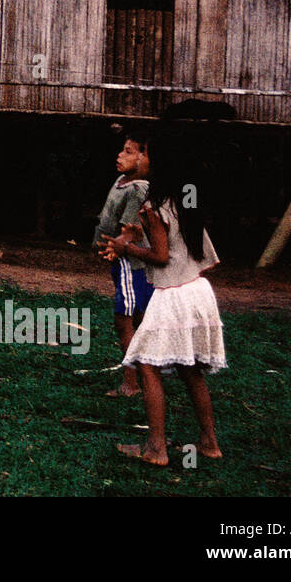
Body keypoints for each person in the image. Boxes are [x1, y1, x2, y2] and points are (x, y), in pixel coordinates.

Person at [100, 134, 226, 466]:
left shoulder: (155, 207)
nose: (141, 159)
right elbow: (182, 245)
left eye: (145, 155)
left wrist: (127, 249)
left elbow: (160, 256)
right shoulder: (186, 202)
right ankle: (209, 443)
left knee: (148, 366)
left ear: (158, 165)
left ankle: (156, 448)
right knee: (190, 370)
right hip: (198, 291)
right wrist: (140, 235)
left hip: (173, 295)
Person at [92, 131, 152, 397]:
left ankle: (132, 382)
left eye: (128, 151)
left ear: (145, 157)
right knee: (137, 318)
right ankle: (148, 371)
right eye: (122, 149)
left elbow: (130, 229)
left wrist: (115, 249)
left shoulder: (139, 190)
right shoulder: (122, 181)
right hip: (121, 260)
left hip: (129, 262)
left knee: (124, 320)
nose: (120, 154)